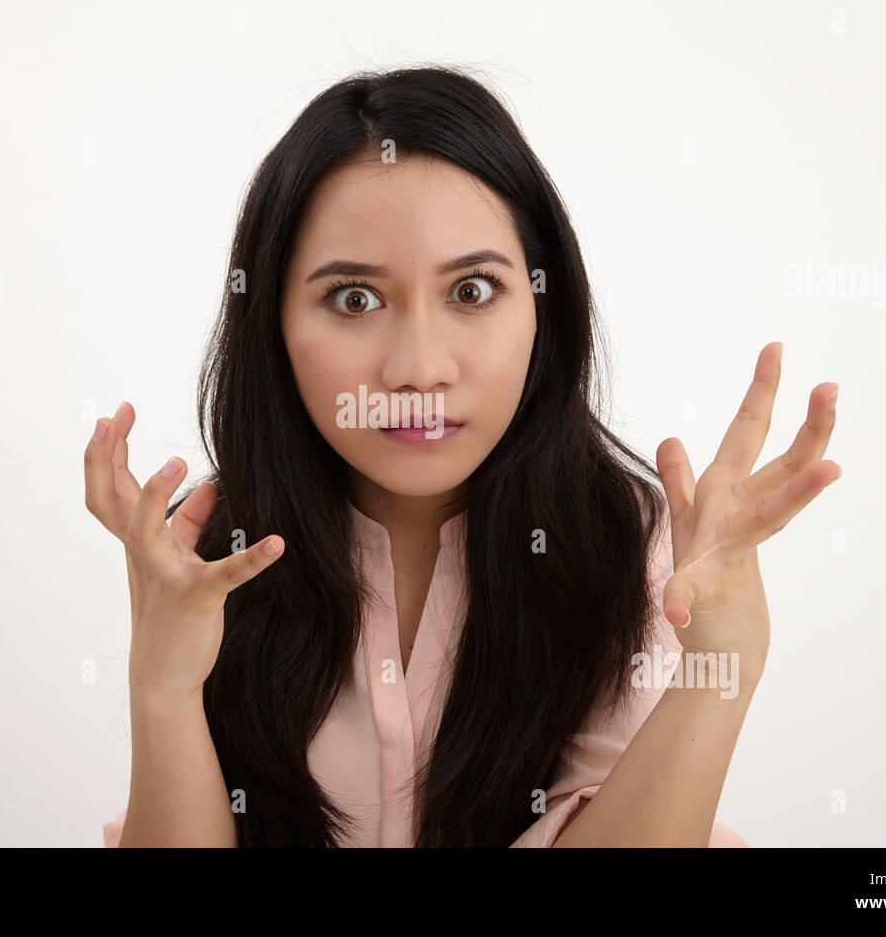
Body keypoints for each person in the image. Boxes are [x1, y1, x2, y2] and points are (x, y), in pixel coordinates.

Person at [83, 65, 841, 847]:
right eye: (355, 299)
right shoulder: (209, 558)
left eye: (472, 291)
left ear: (545, 308)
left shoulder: (637, 548)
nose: (418, 368)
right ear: (271, 322)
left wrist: (724, 670)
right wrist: (165, 691)